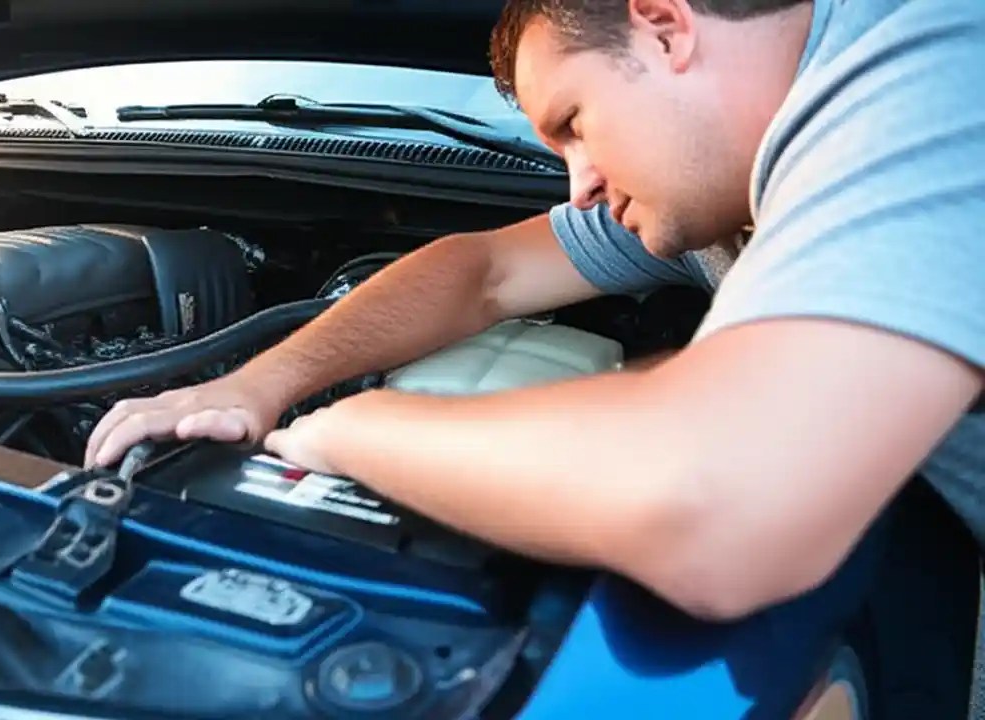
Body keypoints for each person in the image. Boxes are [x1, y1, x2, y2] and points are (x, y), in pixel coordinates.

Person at [86, 0, 984, 626]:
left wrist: (354, 430)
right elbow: (481, 272)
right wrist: (258, 383)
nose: (581, 181)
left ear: (665, 26)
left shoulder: (938, 64)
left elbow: (719, 503)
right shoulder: (718, 187)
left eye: (576, 121)